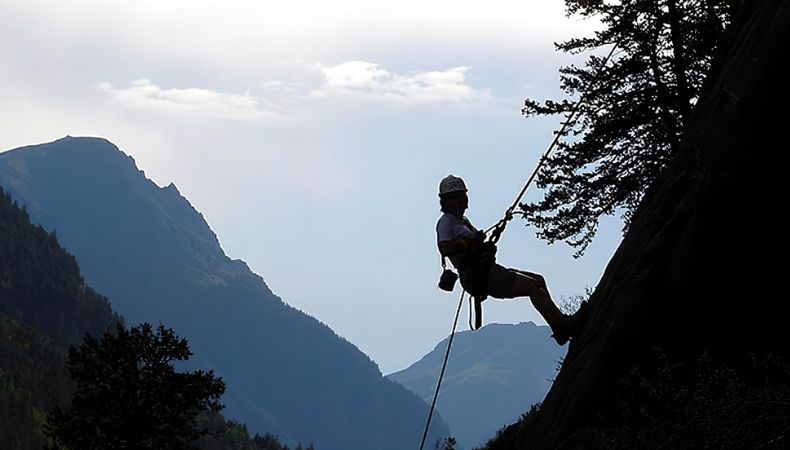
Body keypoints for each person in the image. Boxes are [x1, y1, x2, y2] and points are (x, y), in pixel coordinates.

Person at [435, 175, 588, 345]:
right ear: (445, 202)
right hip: (478, 274)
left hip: (484, 271)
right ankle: (563, 327)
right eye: (454, 197)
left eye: (461, 196)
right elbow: (444, 247)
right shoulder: (446, 222)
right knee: (532, 286)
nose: (459, 201)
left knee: (538, 280)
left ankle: (559, 326)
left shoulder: (462, 222)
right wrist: (469, 242)